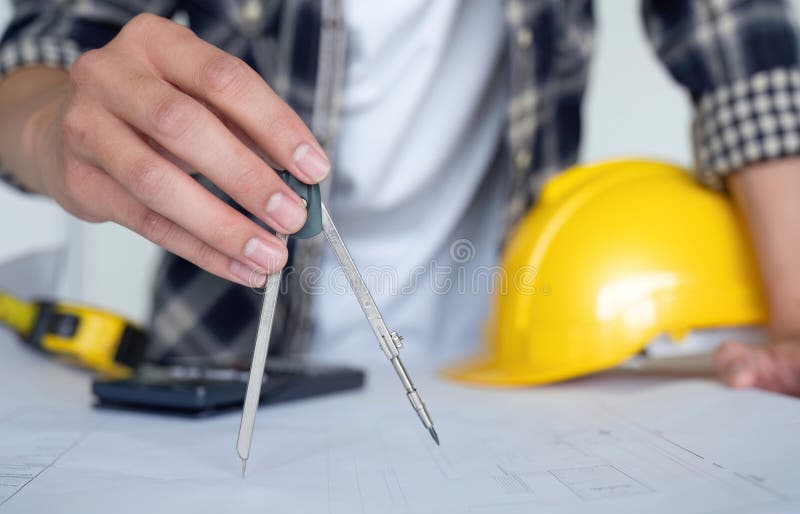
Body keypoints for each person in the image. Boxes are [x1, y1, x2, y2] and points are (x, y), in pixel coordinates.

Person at [1, 0, 799, 394]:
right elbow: (39, 53)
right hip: (227, 360)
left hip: (517, 373)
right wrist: (51, 128)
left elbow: (743, 54)